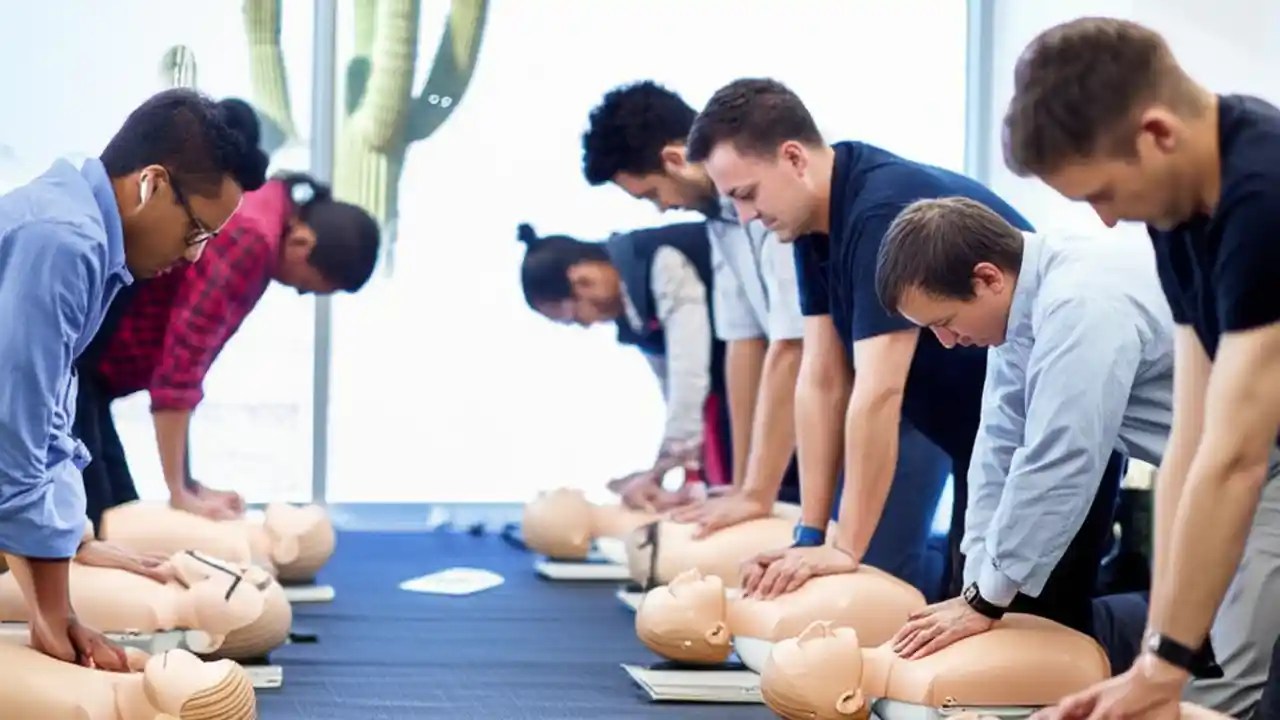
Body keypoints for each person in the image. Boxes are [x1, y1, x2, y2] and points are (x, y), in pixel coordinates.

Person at [579, 80, 957, 598]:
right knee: (890, 566)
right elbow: (761, 350)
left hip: (943, 395)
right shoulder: (769, 219)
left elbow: (814, 360)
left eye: (650, 194)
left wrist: (805, 522)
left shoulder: (851, 206)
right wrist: (771, 507)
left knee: (879, 573)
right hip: (911, 394)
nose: (660, 209)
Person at [1002, 17, 1280, 720]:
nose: (1102, 222)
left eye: (1101, 193)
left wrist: (1163, 666)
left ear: (1157, 133)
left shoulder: (1265, 196)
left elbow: (1238, 457)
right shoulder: (1179, 211)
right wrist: (1160, 650)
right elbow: (1193, 432)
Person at [685, 78, 1035, 605]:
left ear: (794, 158)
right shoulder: (812, 225)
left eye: (746, 194)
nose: (745, 217)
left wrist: (844, 547)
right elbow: (823, 379)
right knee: (967, 606)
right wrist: (809, 533)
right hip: (978, 436)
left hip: (1037, 428)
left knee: (1030, 628)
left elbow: (878, 393)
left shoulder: (880, 209)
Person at [0, 88, 267, 668]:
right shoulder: (65, 242)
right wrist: (52, 613)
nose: (195, 258)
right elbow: (14, 438)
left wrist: (75, 543)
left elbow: (48, 423)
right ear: (151, 184)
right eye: (196, 230)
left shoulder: (85, 237)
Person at [873, 197, 1171, 668]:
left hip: (1260, 461)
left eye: (945, 323)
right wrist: (973, 587)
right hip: (1238, 467)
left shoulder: (1078, 300)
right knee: (1224, 653)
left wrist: (987, 600)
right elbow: (998, 445)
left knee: (1229, 667)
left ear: (988, 278)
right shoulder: (1022, 306)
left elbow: (1059, 458)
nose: (946, 343)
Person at [76, 158, 380, 526]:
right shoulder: (253, 238)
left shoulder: (264, 206)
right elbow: (181, 370)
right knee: (93, 527)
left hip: (88, 371)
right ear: (302, 242)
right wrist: (180, 494)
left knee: (117, 515)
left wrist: (188, 485)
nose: (297, 292)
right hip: (77, 360)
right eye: (305, 285)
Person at [517, 221, 731, 507]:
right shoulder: (632, 315)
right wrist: (669, 468)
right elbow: (671, 387)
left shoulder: (660, 263)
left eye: (575, 318)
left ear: (583, 280)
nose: (587, 325)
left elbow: (688, 371)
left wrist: (664, 465)